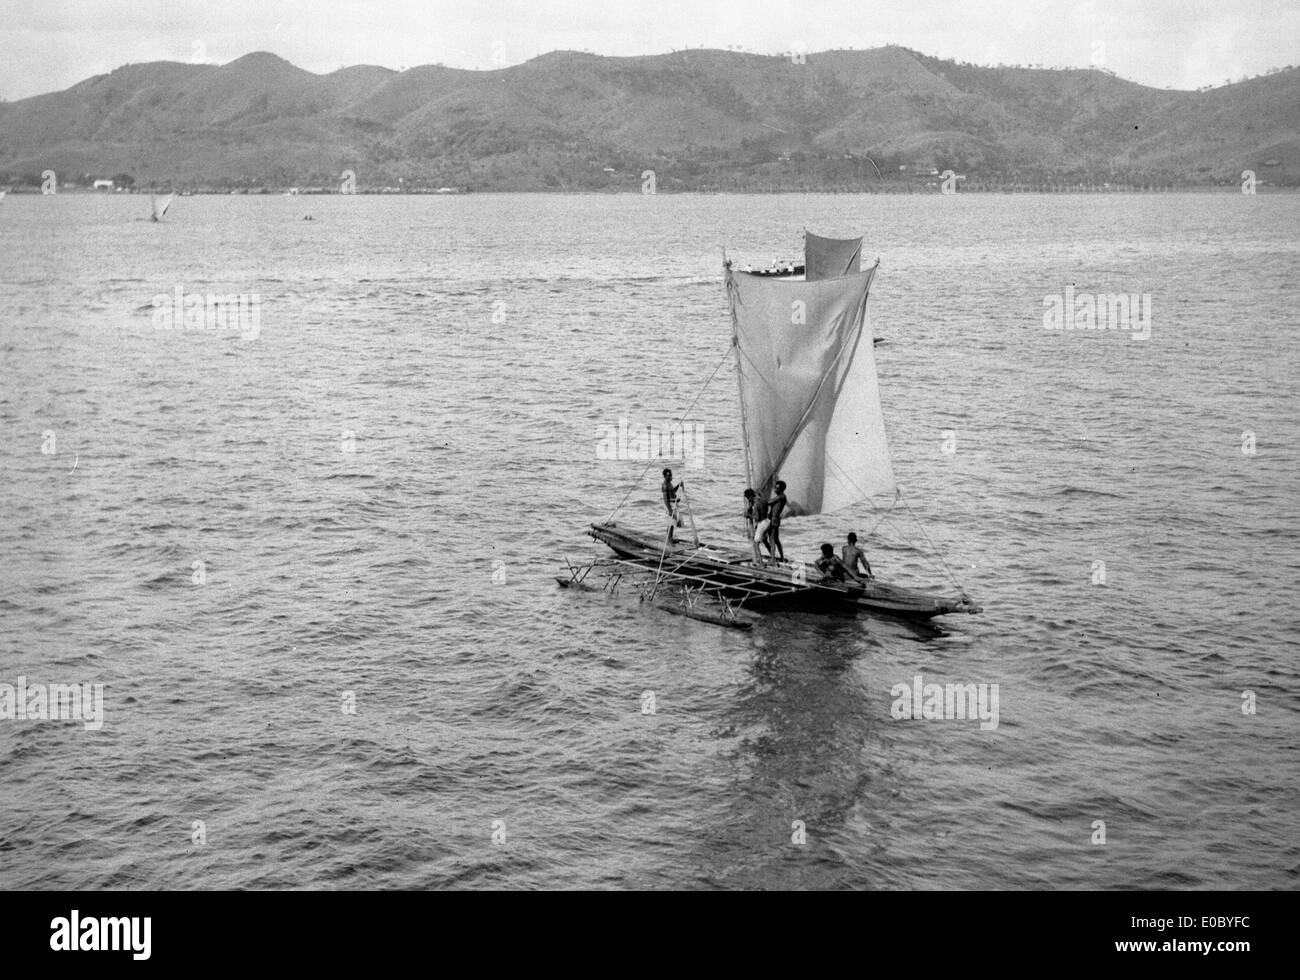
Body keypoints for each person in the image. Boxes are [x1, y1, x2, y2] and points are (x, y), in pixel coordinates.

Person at [766, 480, 788, 561]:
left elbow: (768, 502)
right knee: (775, 540)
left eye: (776, 488)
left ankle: (773, 558)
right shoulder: (780, 497)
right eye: (775, 487)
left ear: (781, 489)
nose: (775, 489)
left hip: (774, 520)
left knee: (772, 540)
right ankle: (780, 557)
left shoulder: (780, 497)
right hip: (774, 519)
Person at [661, 468, 682, 542]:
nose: (670, 477)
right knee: (671, 522)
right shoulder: (665, 485)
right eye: (668, 475)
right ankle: (669, 539)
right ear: (664, 476)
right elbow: (665, 499)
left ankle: (669, 537)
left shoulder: (670, 483)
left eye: (670, 475)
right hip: (669, 505)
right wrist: (669, 509)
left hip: (673, 504)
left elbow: (673, 491)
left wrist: (678, 485)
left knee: (672, 522)